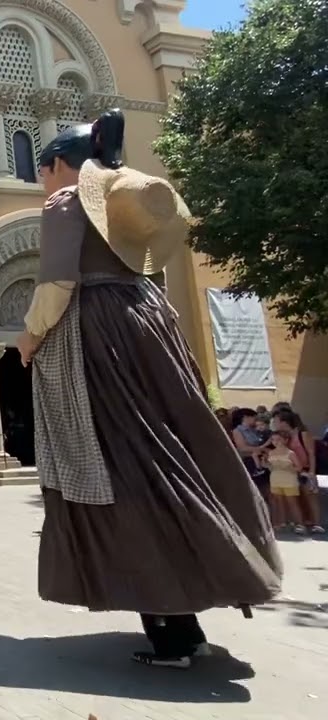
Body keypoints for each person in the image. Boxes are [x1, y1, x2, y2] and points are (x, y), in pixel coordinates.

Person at [25, 109, 281, 669]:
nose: (42, 179)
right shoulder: (124, 210)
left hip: (98, 333)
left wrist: (29, 338)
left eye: (42, 169)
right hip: (151, 327)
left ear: (61, 166)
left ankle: (171, 630)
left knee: (121, 466)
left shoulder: (65, 203)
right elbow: (154, 276)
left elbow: (58, 283)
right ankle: (187, 619)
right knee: (169, 454)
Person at [272, 409, 323, 533]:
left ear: (285, 422)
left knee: (310, 495)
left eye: (277, 421)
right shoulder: (284, 436)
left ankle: (317, 523)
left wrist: (311, 471)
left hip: (306, 469)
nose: (275, 424)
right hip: (292, 470)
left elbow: (311, 453)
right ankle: (304, 521)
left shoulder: (302, 434)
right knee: (298, 496)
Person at [262, 431, 303, 531]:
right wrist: (265, 463)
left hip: (289, 481)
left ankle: (299, 524)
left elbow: (299, 467)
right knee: (279, 502)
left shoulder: (290, 453)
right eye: (273, 440)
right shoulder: (271, 453)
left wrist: (289, 468)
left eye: (278, 439)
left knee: (292, 502)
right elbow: (271, 467)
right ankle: (282, 522)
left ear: (286, 440)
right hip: (275, 480)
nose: (275, 442)